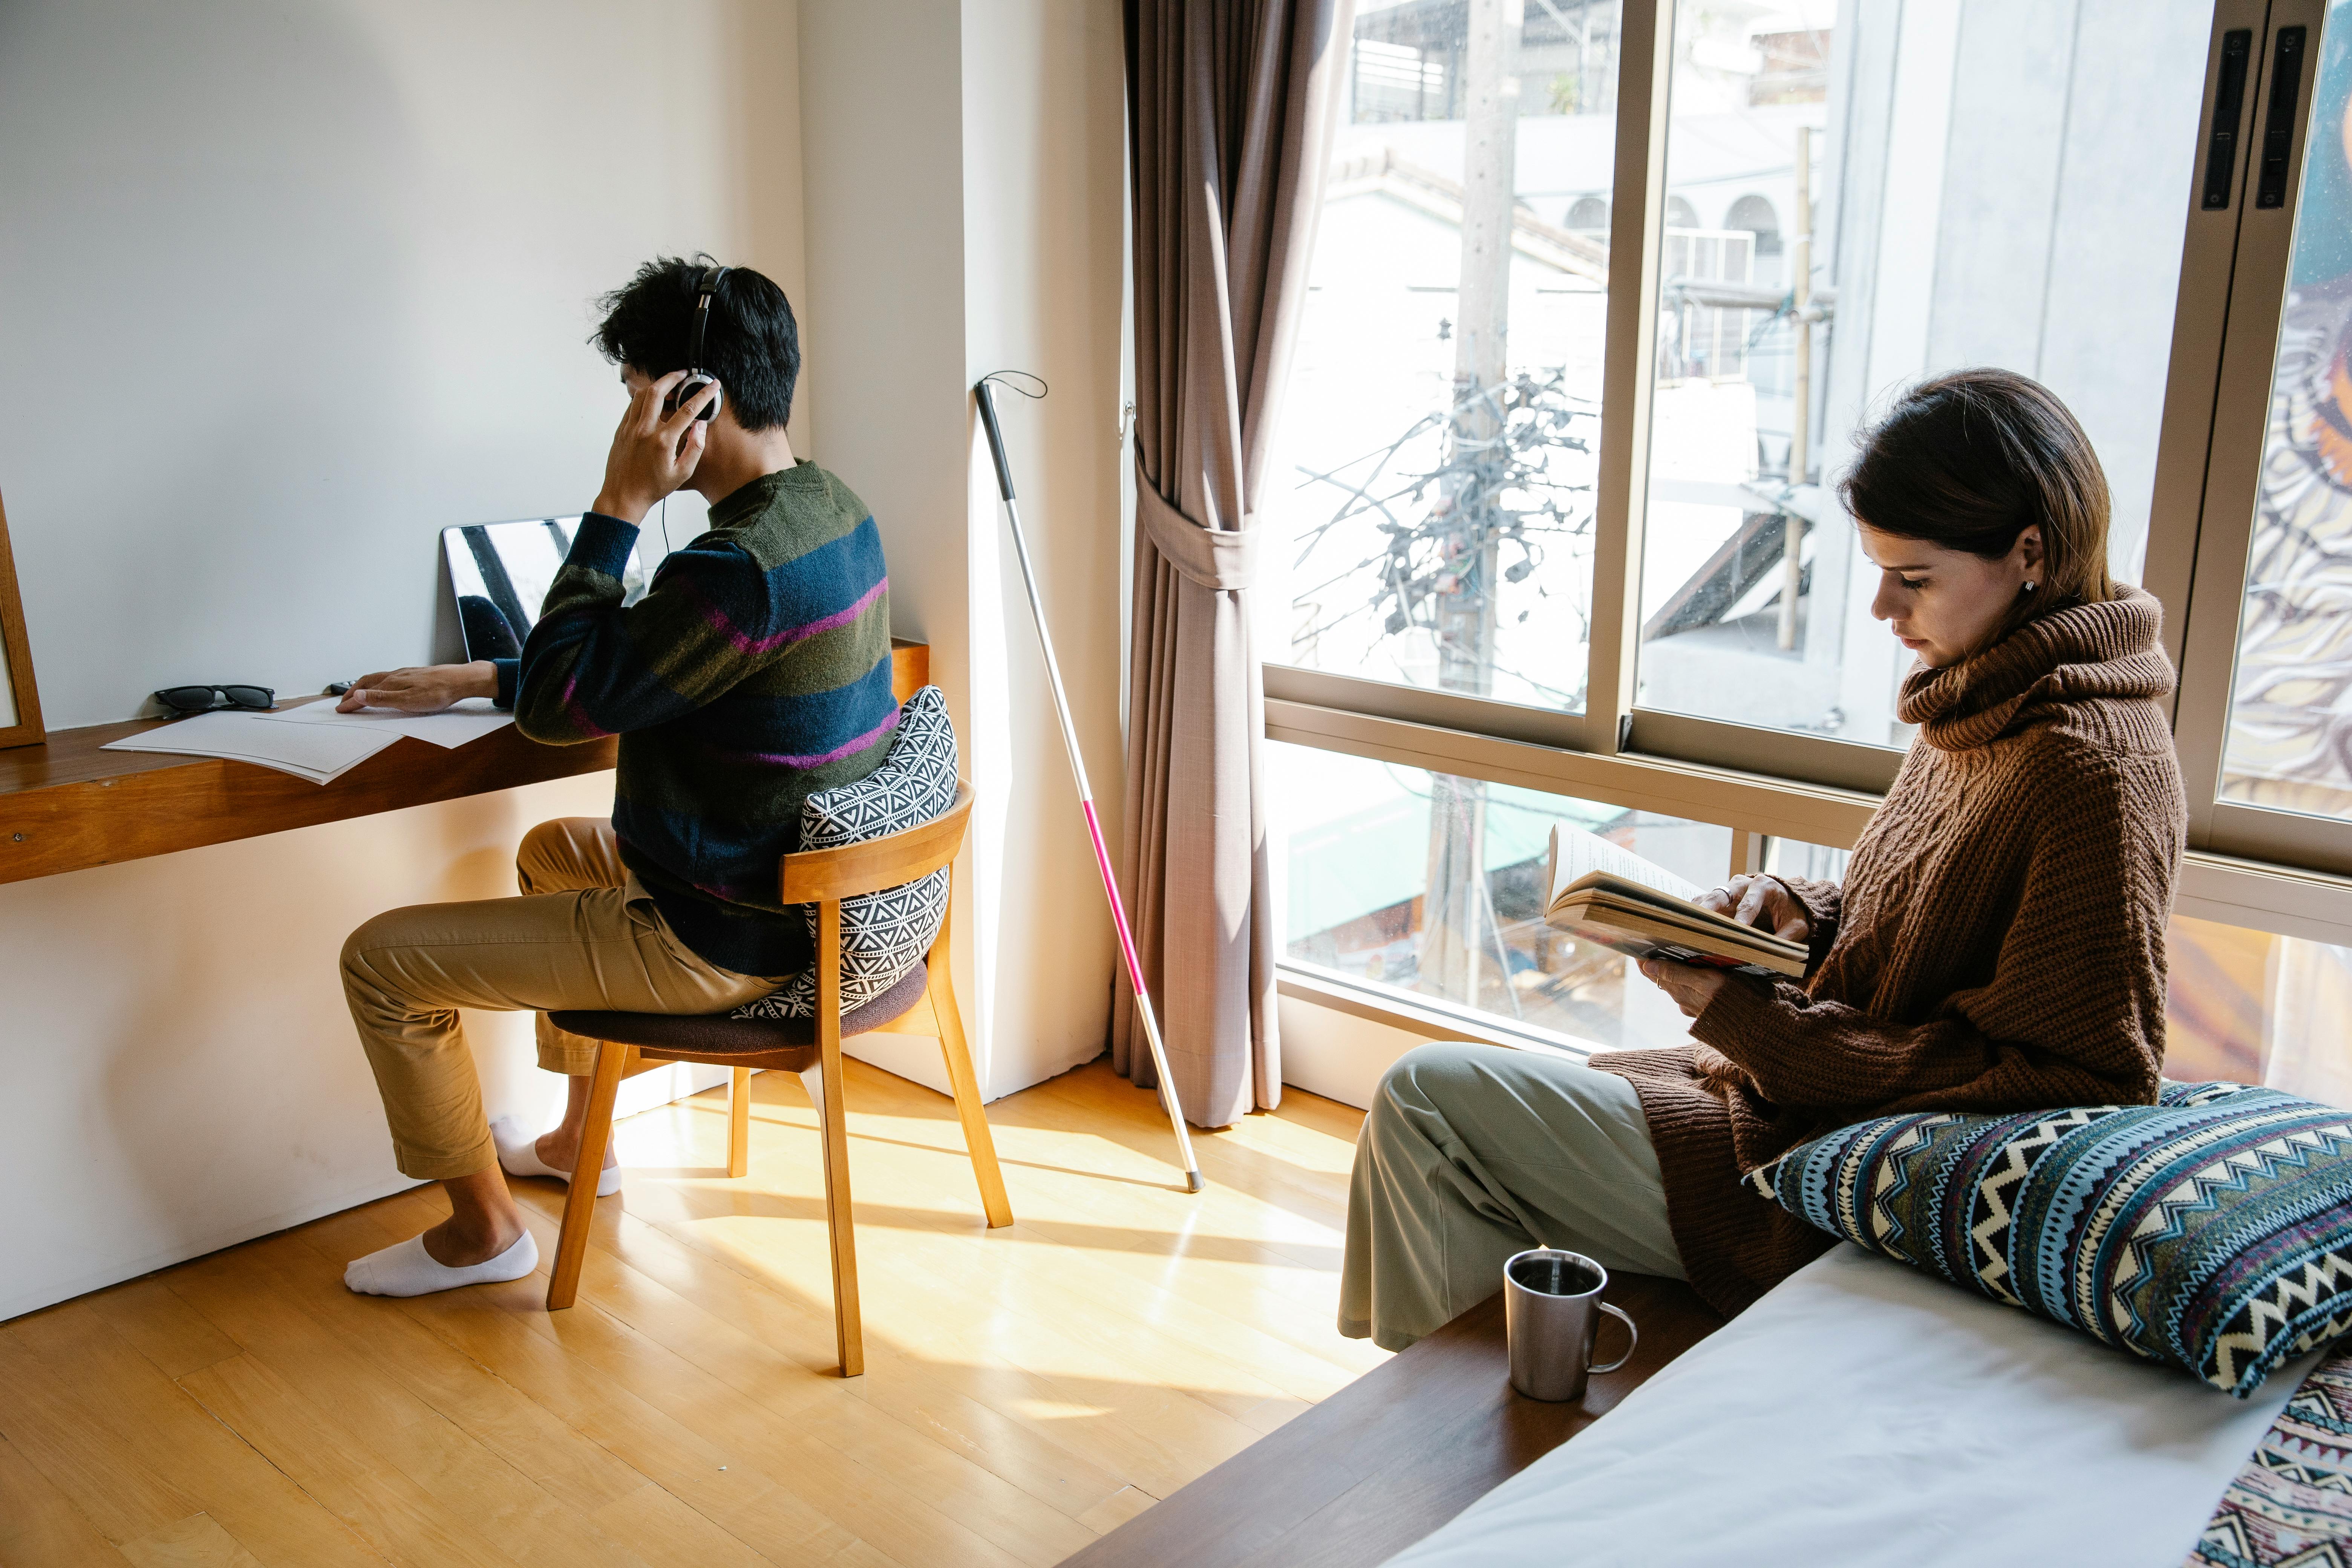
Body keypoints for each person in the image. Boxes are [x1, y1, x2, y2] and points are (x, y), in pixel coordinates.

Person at [1340, 368, 2187, 1346]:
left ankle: (1443, 1445)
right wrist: (1791, 906)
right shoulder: (1987, 700)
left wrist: (1749, 1022)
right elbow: (1924, 919)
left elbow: (2081, 1079)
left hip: (1824, 1166)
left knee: (1426, 1105)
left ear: (2029, 552)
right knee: (1467, 1128)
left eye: (1912, 579)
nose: (1881, 609)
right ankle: (1497, 1436)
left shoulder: (2087, 771)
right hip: (1786, 1102)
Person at [334, 256, 900, 1298]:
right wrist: (480, 675)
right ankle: (569, 1144)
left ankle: (481, 1233)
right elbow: (662, 665)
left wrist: (619, 500)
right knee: (554, 852)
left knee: (380, 965)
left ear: (694, 400)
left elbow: (562, 709)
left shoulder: (733, 569)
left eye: (636, 394)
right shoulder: (827, 511)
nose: (629, 419)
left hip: (718, 936)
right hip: (784, 890)